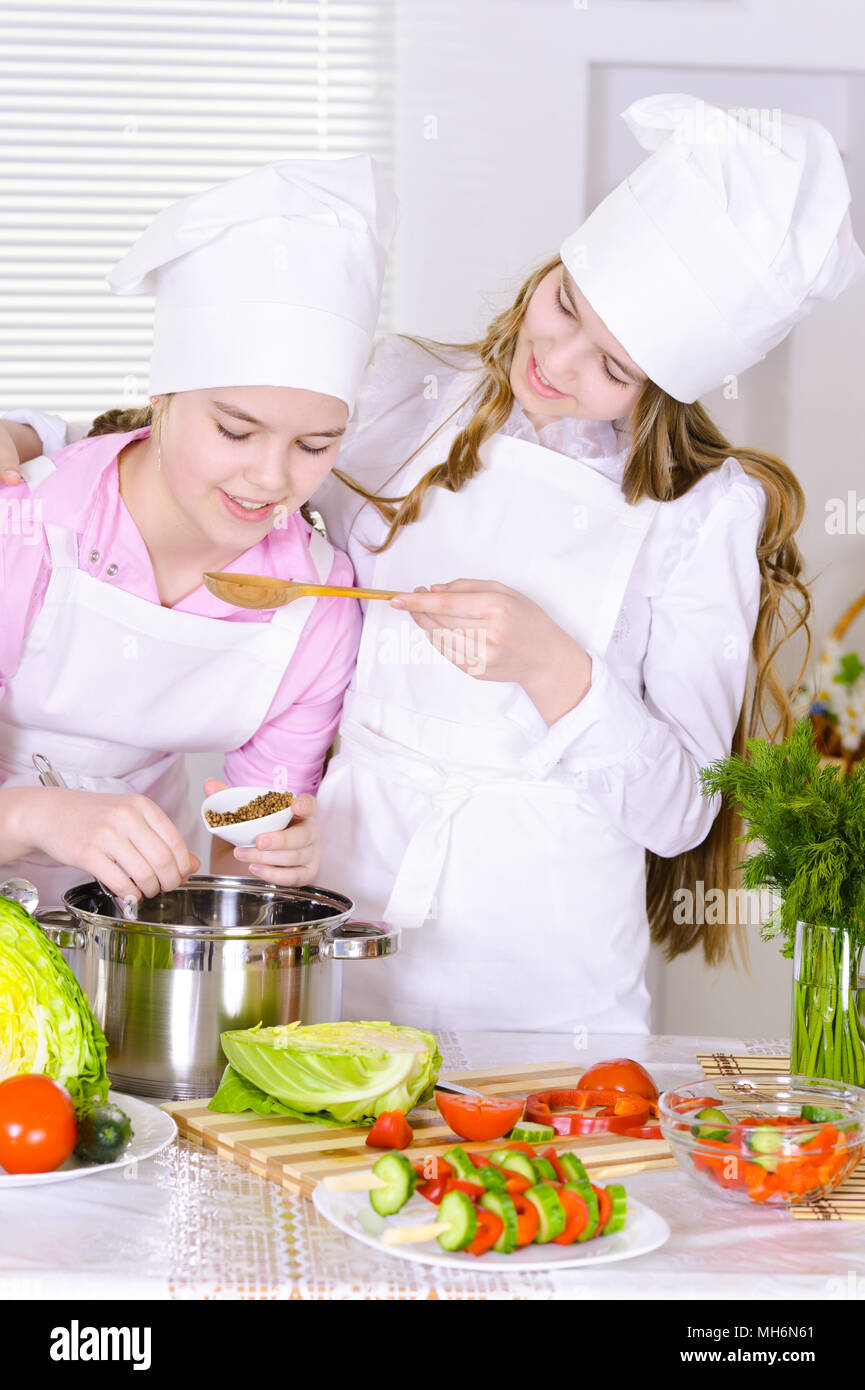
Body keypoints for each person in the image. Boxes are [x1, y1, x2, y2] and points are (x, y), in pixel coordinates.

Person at [6, 96, 863, 1036]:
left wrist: (551, 665)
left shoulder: (702, 511)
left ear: (667, 382)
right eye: (564, 302)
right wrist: (31, 437)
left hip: (546, 962)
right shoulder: (402, 393)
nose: (556, 359)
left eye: (613, 368)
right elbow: (210, 431)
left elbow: (679, 815)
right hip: (349, 923)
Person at [0, 155, 394, 909]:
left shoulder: (314, 601)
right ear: (164, 396)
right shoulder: (25, 528)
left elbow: (239, 843)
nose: (271, 479)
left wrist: (276, 850)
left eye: (314, 446)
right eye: (236, 430)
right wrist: (33, 814)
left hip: (134, 919)